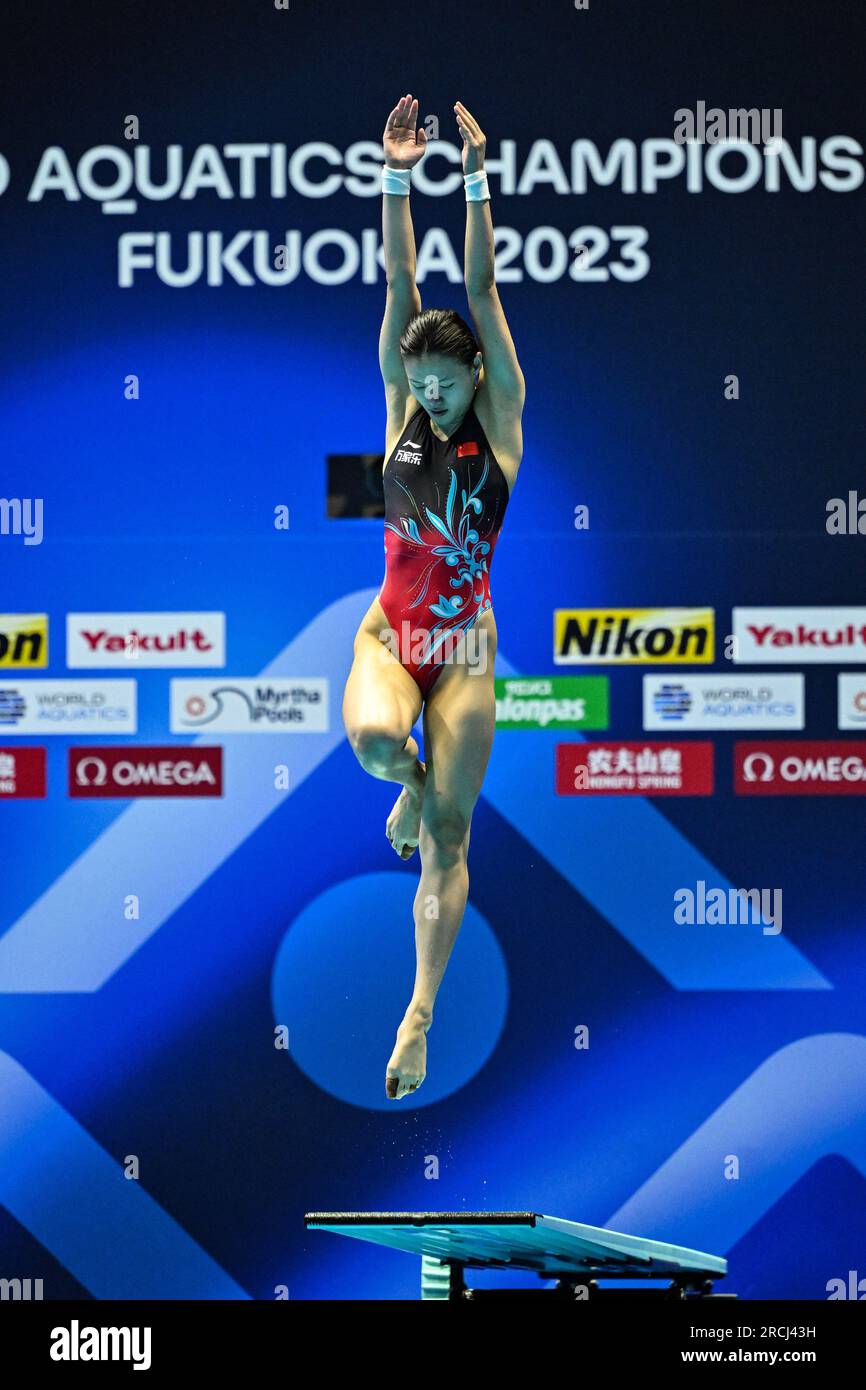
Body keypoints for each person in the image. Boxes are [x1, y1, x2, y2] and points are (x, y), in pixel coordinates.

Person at [342, 95, 525, 1099]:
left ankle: (416, 1017)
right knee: (376, 745)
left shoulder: (496, 429)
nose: (430, 390)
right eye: (417, 375)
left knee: (450, 840)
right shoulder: (396, 409)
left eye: (445, 377)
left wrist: (477, 175)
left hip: (463, 654)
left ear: (474, 376)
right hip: (389, 634)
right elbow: (398, 278)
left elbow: (480, 286)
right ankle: (406, 787)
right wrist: (396, 174)